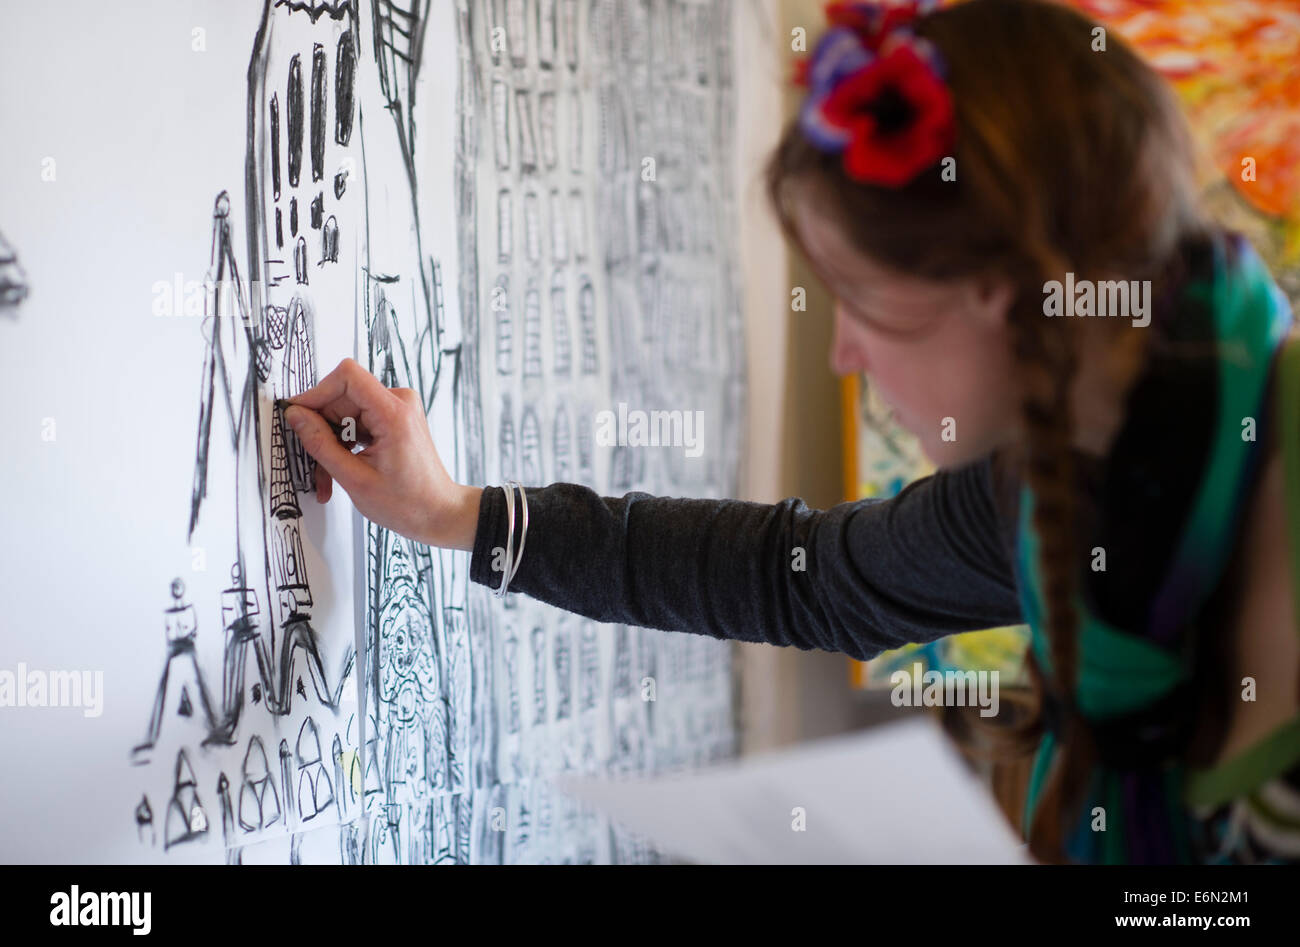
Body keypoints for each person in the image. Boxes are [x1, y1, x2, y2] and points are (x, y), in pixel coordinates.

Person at [283, 0, 1300, 864]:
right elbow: (803, 574)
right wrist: (456, 513)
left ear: (994, 292)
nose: (843, 354)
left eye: (856, 298)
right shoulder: (1055, 479)